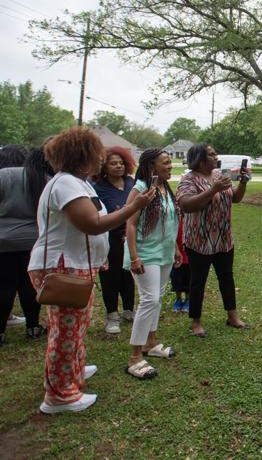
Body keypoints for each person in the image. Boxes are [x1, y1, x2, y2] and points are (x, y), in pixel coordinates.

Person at [27, 127, 155, 414]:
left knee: (76, 327)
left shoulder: (76, 183)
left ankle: (73, 371)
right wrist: (134, 206)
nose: (101, 157)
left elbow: (89, 226)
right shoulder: (67, 185)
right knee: (65, 332)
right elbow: (92, 224)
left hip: (76, 264)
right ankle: (59, 397)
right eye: (97, 152)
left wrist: (99, 257)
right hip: (63, 266)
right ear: (83, 154)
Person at [176, 143, 250, 337]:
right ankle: (196, 321)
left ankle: (232, 315)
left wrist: (243, 183)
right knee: (198, 281)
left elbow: (234, 198)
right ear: (200, 159)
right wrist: (212, 190)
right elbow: (186, 205)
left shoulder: (219, 175)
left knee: (226, 277)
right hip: (199, 241)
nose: (215, 156)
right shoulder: (188, 179)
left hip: (223, 238)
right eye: (211, 154)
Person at [123, 148, 181, 380]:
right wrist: (134, 257)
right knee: (150, 299)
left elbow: (169, 221)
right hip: (145, 254)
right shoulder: (140, 189)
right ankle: (135, 358)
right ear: (151, 166)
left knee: (157, 296)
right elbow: (130, 224)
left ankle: (150, 343)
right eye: (165, 163)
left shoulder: (164, 188)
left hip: (164, 253)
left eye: (170, 162)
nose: (170, 166)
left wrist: (175, 248)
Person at [0, 147, 52, 344]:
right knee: (29, 286)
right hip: (33, 239)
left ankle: (1, 331)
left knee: (4, 286)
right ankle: (33, 326)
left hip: (3, 241)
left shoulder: (2, 176)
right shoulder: (39, 177)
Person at [93, 146, 137, 334]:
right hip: (109, 237)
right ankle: (112, 315)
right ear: (104, 166)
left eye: (121, 163)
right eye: (113, 163)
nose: (118, 166)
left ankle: (128, 309)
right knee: (110, 277)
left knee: (128, 274)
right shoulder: (98, 188)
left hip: (130, 236)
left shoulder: (131, 183)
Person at [169, 217, 190, 313]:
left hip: (189, 254)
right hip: (176, 254)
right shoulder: (173, 217)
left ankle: (188, 299)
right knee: (176, 279)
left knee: (189, 279)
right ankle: (178, 299)